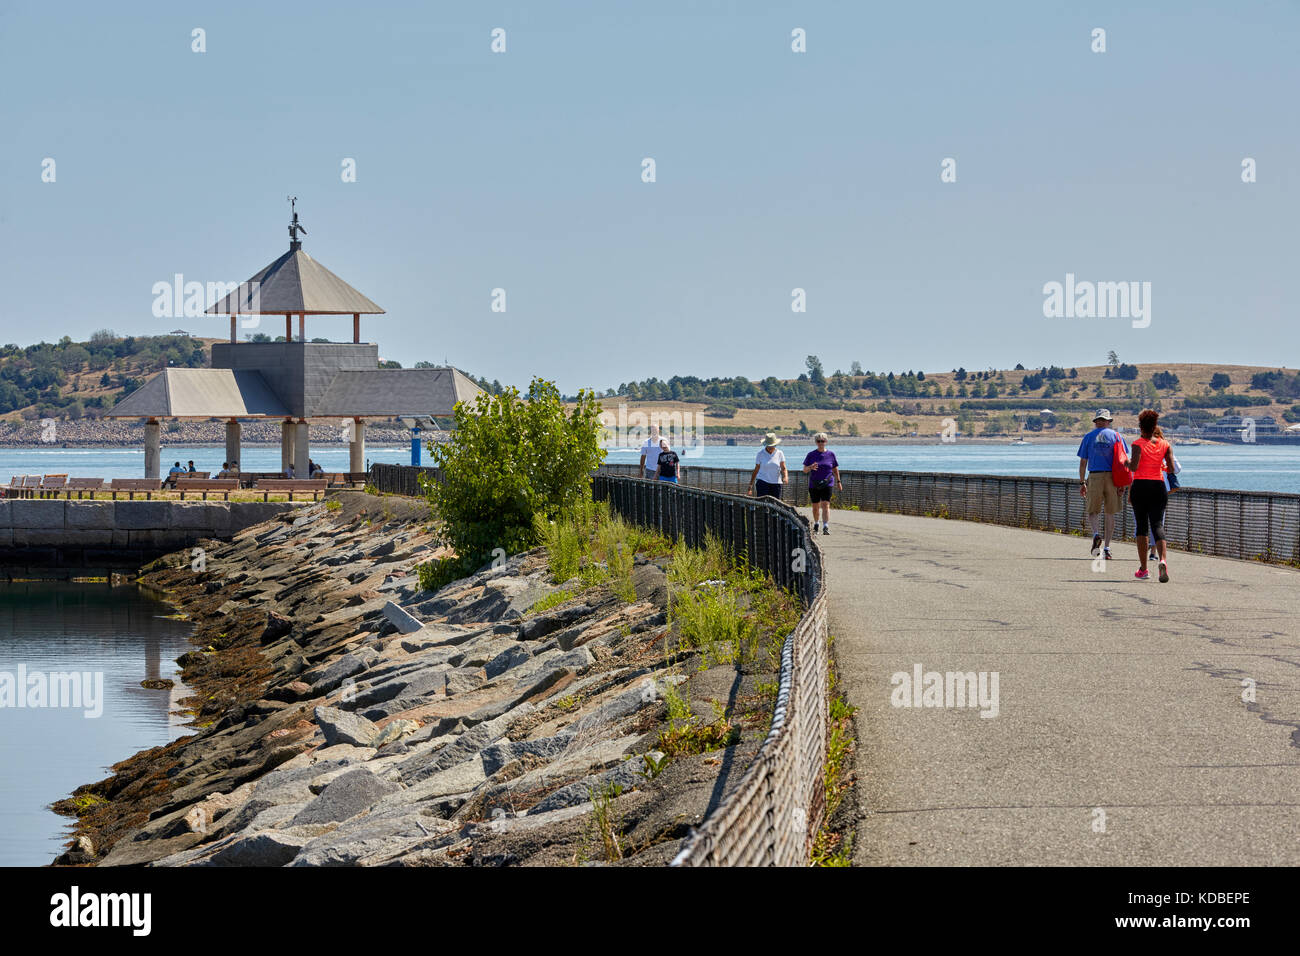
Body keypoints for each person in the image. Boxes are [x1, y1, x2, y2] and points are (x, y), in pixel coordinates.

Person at [1127, 409, 1175, 582]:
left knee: (1142, 527)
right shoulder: (1165, 444)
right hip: (1158, 486)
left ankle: (1144, 569)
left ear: (1140, 427)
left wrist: (1125, 461)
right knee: (1157, 524)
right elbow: (1170, 468)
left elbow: (1133, 467)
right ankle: (1162, 560)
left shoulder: (1137, 444)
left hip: (1140, 486)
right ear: (1155, 426)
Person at [1077, 409, 1128, 561]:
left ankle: (1095, 533)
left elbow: (1083, 462)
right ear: (1108, 421)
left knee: (1093, 510)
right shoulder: (1117, 436)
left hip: (1095, 475)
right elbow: (1123, 461)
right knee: (1110, 512)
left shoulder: (1088, 437)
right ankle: (1107, 548)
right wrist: (1122, 483)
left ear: (1096, 421)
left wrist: (1082, 482)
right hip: (1112, 477)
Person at [802, 432, 841, 535]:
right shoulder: (811, 455)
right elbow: (804, 470)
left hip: (827, 483)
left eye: (822, 441)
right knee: (815, 506)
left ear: (826, 442)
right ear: (816, 442)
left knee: (825, 505)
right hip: (814, 484)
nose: (820, 443)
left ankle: (825, 526)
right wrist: (810, 467)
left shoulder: (831, 454)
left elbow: (835, 469)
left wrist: (838, 481)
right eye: (818, 441)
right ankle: (816, 523)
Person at [747, 432, 788, 499]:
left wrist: (785, 477)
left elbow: (783, 468)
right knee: (762, 503)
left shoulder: (780, 453)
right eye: (769, 446)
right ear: (766, 445)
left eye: (772, 446)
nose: (771, 447)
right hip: (762, 482)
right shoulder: (760, 454)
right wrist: (751, 484)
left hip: (776, 483)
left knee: (776, 505)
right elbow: (756, 469)